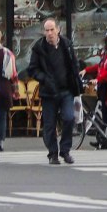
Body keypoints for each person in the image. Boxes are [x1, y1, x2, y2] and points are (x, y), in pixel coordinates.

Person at [27, 17, 83, 165]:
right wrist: (44, 78)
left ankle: (65, 150)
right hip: (49, 92)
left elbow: (74, 64)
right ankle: (53, 153)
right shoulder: (39, 48)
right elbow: (32, 69)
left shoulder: (66, 44)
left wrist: (76, 79)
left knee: (69, 118)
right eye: (47, 30)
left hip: (66, 90)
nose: (50, 33)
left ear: (58, 30)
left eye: (52, 30)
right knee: (50, 125)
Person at [0, 26, 18, 151]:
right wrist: (15, 91)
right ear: (0, 37)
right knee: (2, 116)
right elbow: (14, 74)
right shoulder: (8, 53)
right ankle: (1, 141)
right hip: (5, 87)